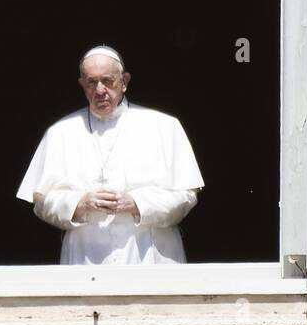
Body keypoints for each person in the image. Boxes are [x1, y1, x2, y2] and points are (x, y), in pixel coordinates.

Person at [17, 45, 203, 264]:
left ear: (124, 82)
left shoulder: (164, 126)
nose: (99, 90)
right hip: (84, 257)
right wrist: (79, 203)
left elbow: (186, 196)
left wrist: (137, 203)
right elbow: (41, 202)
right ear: (82, 85)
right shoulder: (60, 132)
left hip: (149, 256)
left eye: (107, 81)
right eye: (91, 82)